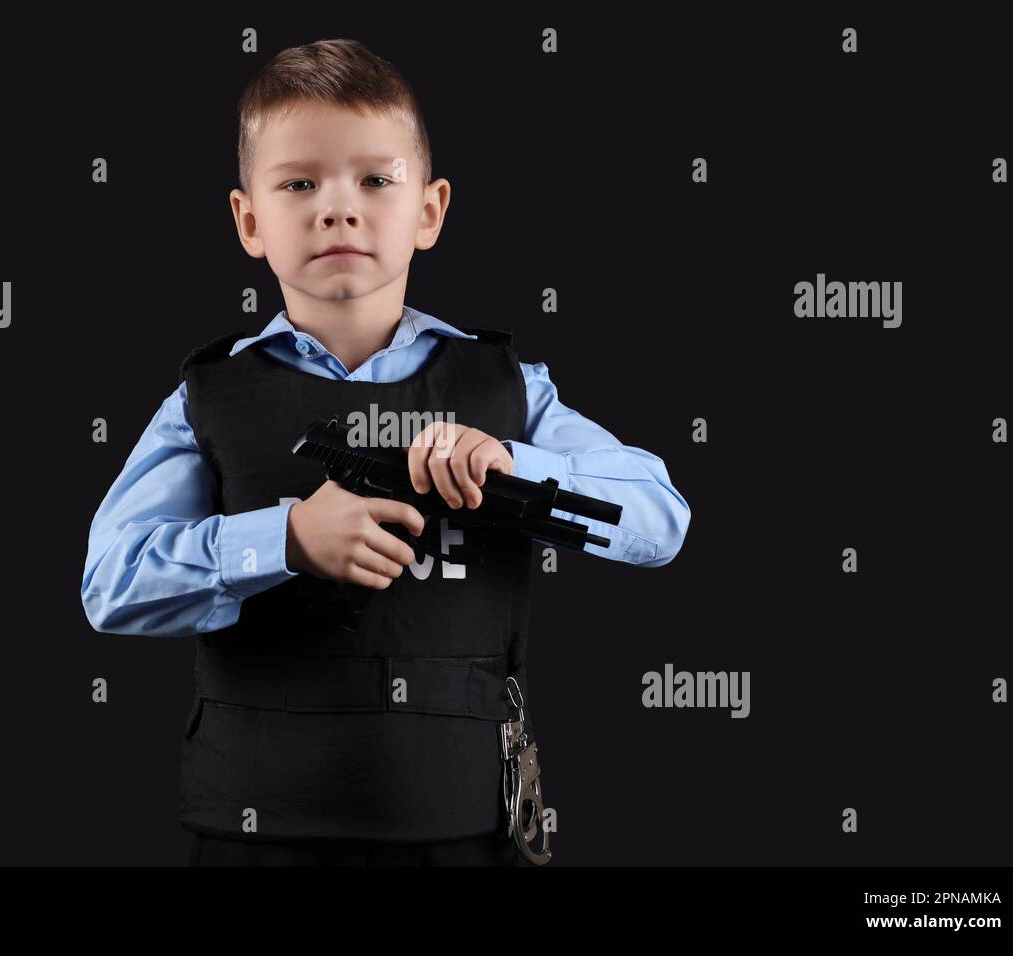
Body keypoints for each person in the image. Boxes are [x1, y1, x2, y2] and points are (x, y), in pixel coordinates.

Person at [81, 38, 691, 866]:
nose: (339, 208)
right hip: (254, 835)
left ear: (430, 211)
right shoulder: (208, 397)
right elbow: (111, 584)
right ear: (249, 220)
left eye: (376, 180)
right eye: (300, 182)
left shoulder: (509, 389)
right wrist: (287, 539)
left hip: (465, 827)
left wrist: (514, 467)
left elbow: (660, 520)